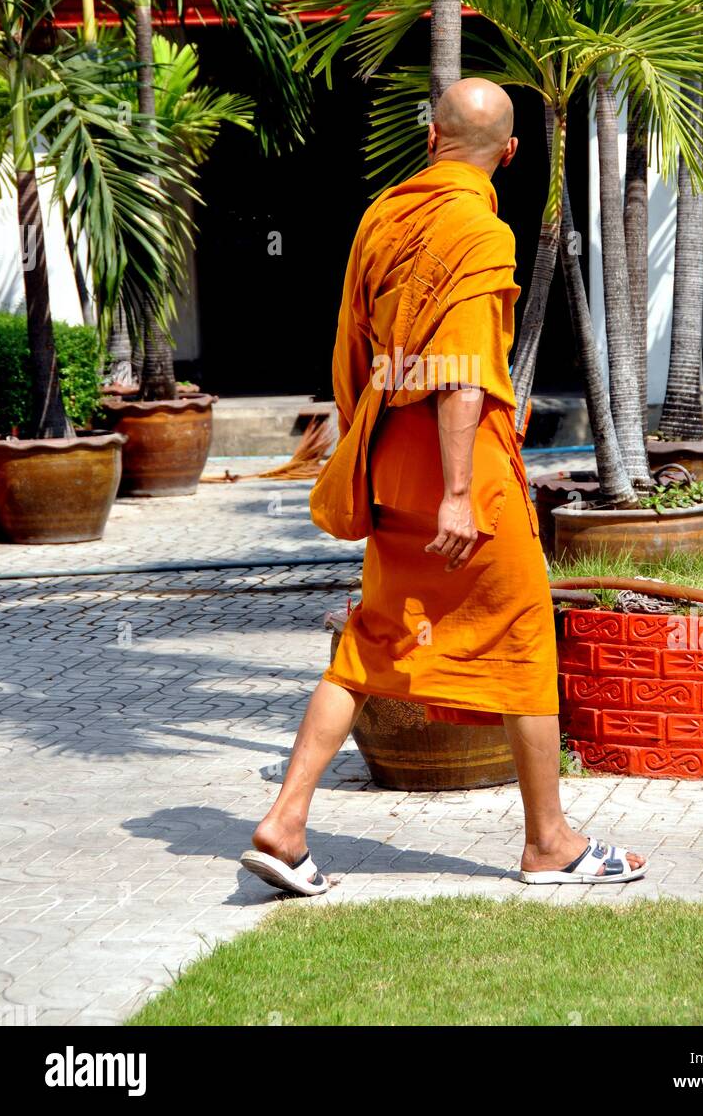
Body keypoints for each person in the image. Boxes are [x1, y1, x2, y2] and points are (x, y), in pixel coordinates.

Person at [241, 78, 647, 895]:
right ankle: (550, 844)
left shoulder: (383, 214)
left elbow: (352, 348)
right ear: (509, 153)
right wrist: (458, 492)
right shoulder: (478, 226)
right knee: (527, 639)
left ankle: (284, 824)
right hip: (461, 477)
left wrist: (369, 445)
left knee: (369, 644)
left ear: (430, 140)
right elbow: (462, 372)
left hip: (390, 463)